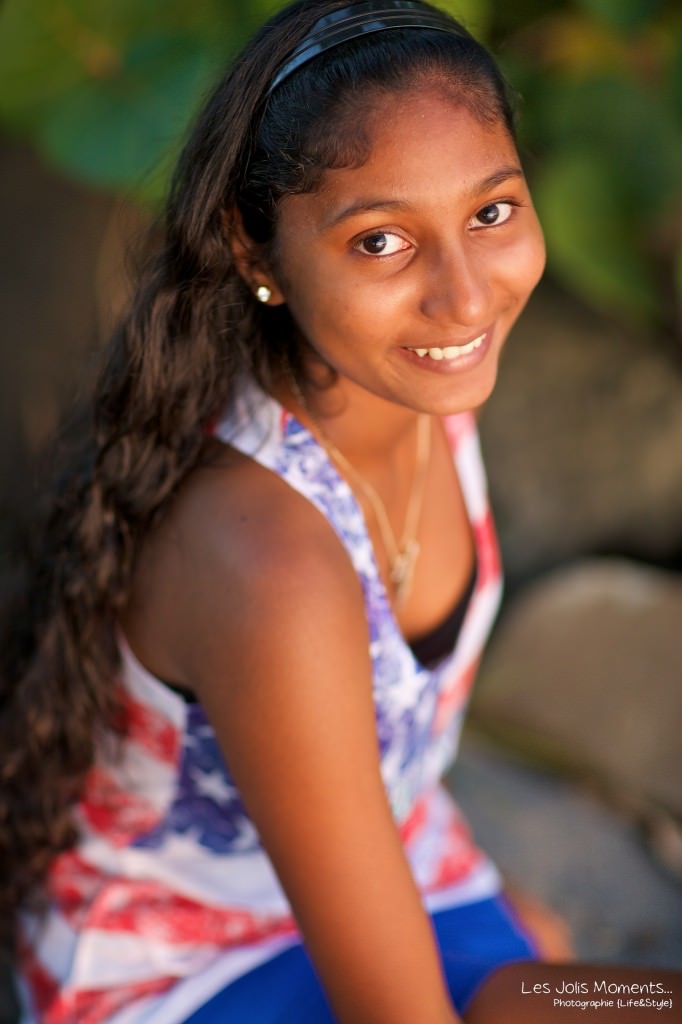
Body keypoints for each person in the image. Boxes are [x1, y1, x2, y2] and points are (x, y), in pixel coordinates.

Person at [2, 1, 680, 1022]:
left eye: (490, 212)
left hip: (384, 857)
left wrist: (502, 948)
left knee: (596, 997)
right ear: (258, 252)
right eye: (380, 242)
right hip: (183, 965)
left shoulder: (411, 386)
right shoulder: (268, 565)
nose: (463, 297)